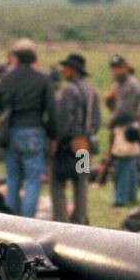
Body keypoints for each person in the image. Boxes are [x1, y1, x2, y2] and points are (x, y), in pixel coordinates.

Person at [0, 38, 57, 218]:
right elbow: (52, 111)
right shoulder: (42, 80)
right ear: (34, 58)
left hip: (11, 133)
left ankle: (11, 223)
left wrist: (0, 124)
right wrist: (53, 136)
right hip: (34, 133)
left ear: (15, 58)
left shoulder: (6, 79)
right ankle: (27, 224)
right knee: (33, 182)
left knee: (13, 181)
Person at [49, 52, 100, 224]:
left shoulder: (69, 91)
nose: (62, 72)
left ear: (72, 71)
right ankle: (81, 218)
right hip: (84, 145)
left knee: (58, 182)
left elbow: (63, 120)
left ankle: (61, 219)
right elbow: (97, 121)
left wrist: (57, 140)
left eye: (65, 69)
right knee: (81, 181)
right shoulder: (91, 91)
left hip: (67, 146)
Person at [105, 54, 140, 208]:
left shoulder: (129, 85)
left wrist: (110, 121)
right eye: (114, 69)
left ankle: (121, 198)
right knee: (129, 162)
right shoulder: (123, 83)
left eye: (118, 68)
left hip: (125, 125)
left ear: (125, 67)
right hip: (129, 125)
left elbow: (124, 110)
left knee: (123, 163)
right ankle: (131, 195)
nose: (116, 72)